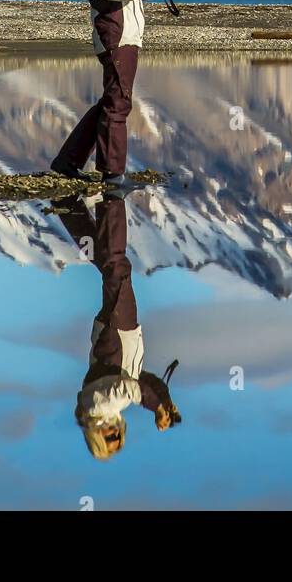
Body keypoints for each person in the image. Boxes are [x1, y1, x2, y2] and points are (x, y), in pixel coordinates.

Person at [50, 0, 178, 181]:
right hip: (117, 39)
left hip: (124, 39)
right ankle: (112, 173)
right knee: (118, 104)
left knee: (110, 101)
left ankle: (67, 161)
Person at [55, 192, 181, 461]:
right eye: (117, 437)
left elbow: (130, 388)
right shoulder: (108, 408)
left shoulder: (97, 406)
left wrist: (156, 406)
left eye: (108, 439)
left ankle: (109, 195)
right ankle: (67, 206)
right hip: (118, 330)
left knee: (116, 267)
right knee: (110, 267)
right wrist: (164, 401)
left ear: (96, 438)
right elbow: (139, 381)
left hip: (118, 329)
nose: (113, 432)